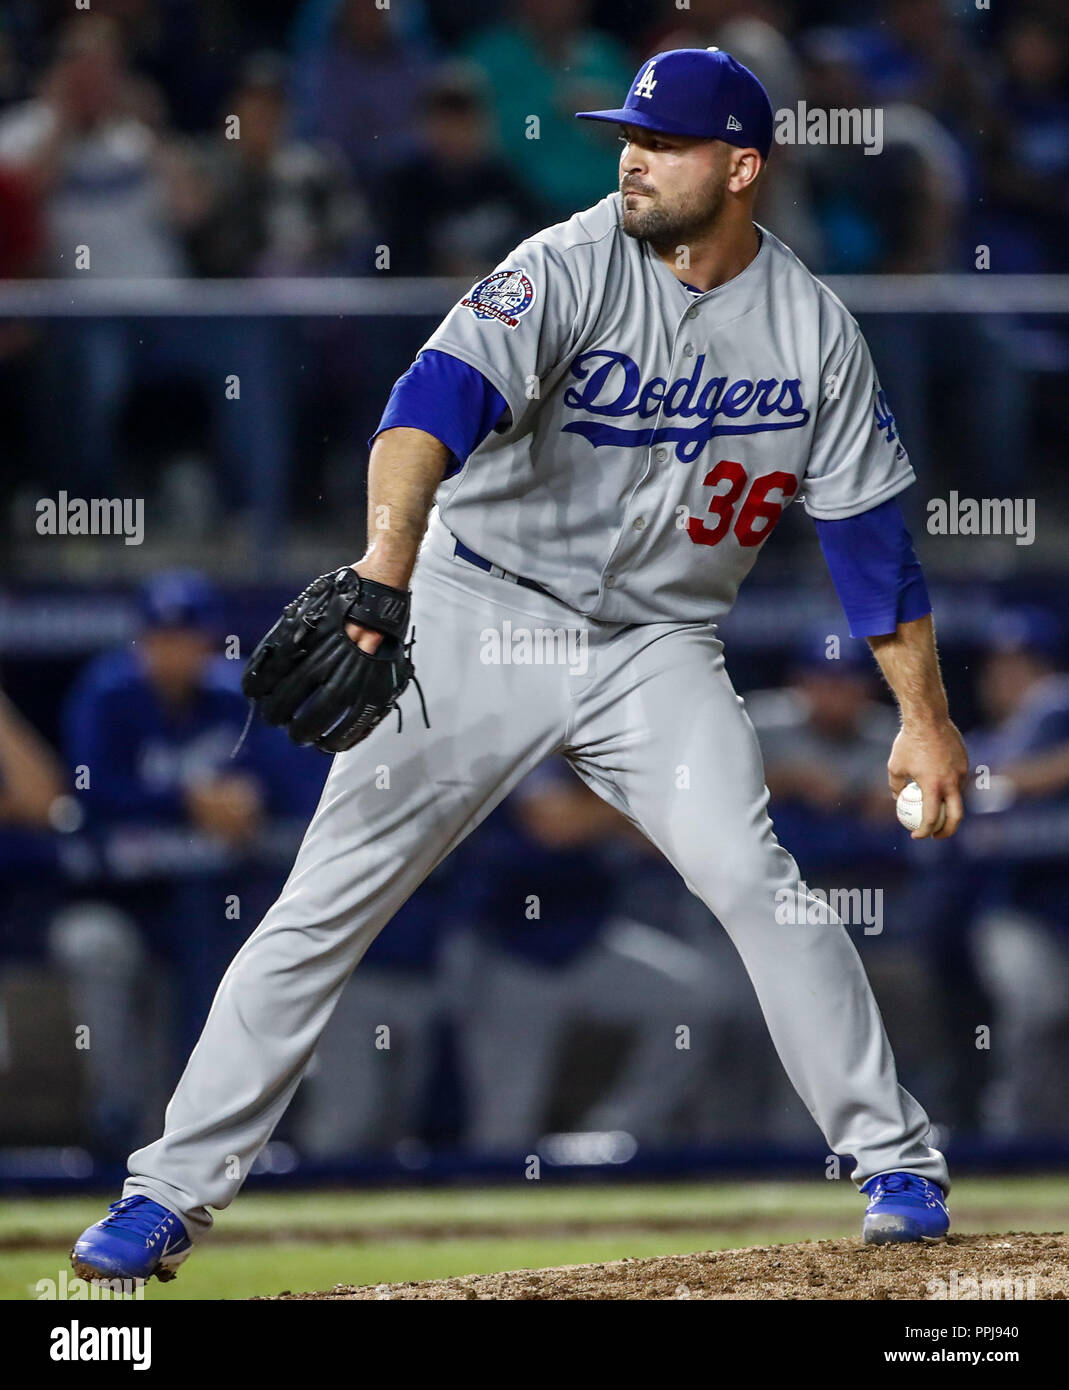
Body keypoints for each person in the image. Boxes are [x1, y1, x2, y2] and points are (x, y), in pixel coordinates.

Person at [73, 48, 967, 1283]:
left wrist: (921, 718)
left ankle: (896, 1163)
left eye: (663, 141)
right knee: (324, 903)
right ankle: (165, 1194)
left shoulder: (815, 330)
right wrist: (387, 564)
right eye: (626, 135)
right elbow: (423, 408)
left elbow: (873, 549)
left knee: (757, 879)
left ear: (743, 167)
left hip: (655, 644)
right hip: (476, 603)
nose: (632, 157)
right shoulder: (565, 261)